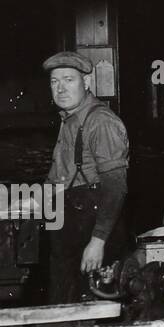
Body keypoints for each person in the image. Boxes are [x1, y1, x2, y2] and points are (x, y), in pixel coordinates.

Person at [42, 51, 129, 303]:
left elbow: (115, 188)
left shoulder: (100, 122)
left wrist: (97, 242)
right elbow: (58, 180)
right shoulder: (68, 121)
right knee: (65, 306)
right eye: (54, 82)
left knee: (94, 310)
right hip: (69, 230)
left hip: (92, 234)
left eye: (69, 80)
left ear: (87, 83)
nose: (60, 88)